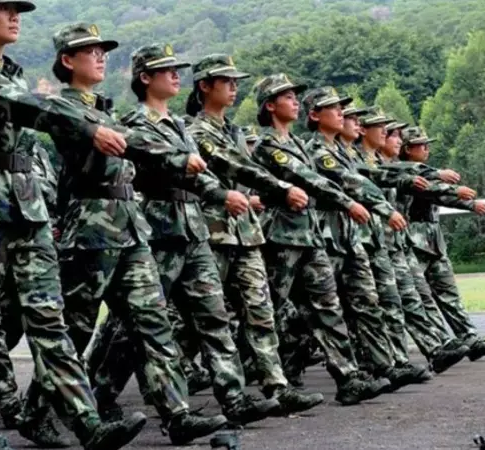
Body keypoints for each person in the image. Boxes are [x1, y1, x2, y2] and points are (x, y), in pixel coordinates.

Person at [0, 2, 150, 448]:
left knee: (50, 319)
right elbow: (16, 107)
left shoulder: (14, 72)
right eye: (3, 9)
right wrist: (86, 127)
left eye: (17, 10)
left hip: (28, 209)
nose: (15, 16)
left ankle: (87, 425)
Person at [38, 22, 230, 445]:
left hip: (129, 226)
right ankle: (37, 408)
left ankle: (176, 413)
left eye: (103, 51)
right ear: (67, 61)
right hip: (91, 227)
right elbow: (136, 143)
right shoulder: (68, 110)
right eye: (90, 51)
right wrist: (177, 157)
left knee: (153, 321)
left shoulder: (103, 110)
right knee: (75, 326)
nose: (100, 56)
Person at [90, 43, 288, 427]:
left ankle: (233, 398)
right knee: (138, 324)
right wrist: (212, 185)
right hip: (161, 227)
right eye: (167, 70)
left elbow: (204, 176)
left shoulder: (180, 125)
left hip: (193, 226)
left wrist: (223, 193)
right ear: (145, 78)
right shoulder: (135, 122)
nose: (176, 75)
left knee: (213, 317)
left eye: (178, 69)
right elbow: (165, 163)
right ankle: (102, 390)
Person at [184, 54, 324, 413]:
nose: (234, 87)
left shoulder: (232, 131)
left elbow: (242, 174)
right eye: (226, 81)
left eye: (235, 81)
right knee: (199, 318)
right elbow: (235, 167)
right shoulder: (198, 132)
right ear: (204, 86)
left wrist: (256, 197)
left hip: (245, 234)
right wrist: (279, 189)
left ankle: (275, 388)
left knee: (261, 312)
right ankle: (177, 378)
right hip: (213, 234)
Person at [247, 74, 389, 405]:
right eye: (287, 97)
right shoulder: (270, 145)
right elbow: (306, 178)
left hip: (310, 238)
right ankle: (245, 380)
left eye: (297, 96)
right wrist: (348, 202)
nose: (295, 100)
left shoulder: (296, 143)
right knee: (265, 311)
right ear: (270, 106)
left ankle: (348, 378)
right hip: (280, 239)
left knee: (328, 307)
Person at [302, 90, 426, 389]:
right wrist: (385, 209)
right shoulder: (316, 151)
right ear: (315, 115)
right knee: (313, 312)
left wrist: (412, 175)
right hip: (326, 237)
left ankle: (384, 367)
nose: (342, 113)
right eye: (333, 108)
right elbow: (354, 182)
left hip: (349, 237)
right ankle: (287, 375)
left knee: (368, 303)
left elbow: (373, 173)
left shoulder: (343, 152)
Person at [398, 126, 485, 361]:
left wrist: (469, 204)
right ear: (407, 149)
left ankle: (468, 338)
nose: (427, 148)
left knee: (448, 291)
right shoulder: (407, 173)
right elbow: (429, 186)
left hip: (432, 237)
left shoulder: (426, 172)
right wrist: (442, 178)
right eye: (421, 144)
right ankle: (442, 342)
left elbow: (440, 196)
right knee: (419, 295)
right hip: (412, 238)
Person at [374, 121, 470, 372]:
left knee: (412, 297)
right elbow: (426, 188)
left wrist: (456, 193)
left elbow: (428, 188)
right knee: (361, 306)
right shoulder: (375, 165)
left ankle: (433, 349)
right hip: (372, 242)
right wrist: (438, 177)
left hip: (396, 242)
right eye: (391, 135)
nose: (393, 138)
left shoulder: (399, 168)